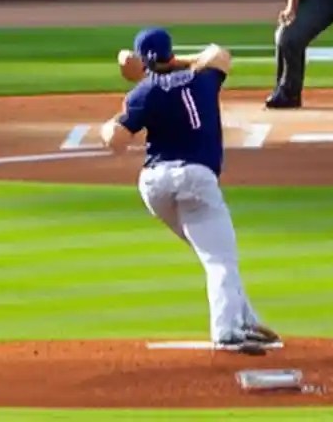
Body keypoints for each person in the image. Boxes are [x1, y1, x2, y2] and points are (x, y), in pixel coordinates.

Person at [99, 28, 279, 355]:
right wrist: (173, 63)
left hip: (154, 186)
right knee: (219, 258)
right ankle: (227, 332)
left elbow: (116, 141)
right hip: (195, 180)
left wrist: (137, 83)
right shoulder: (203, 77)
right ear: (171, 52)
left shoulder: (144, 92)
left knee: (213, 253)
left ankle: (246, 318)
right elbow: (220, 53)